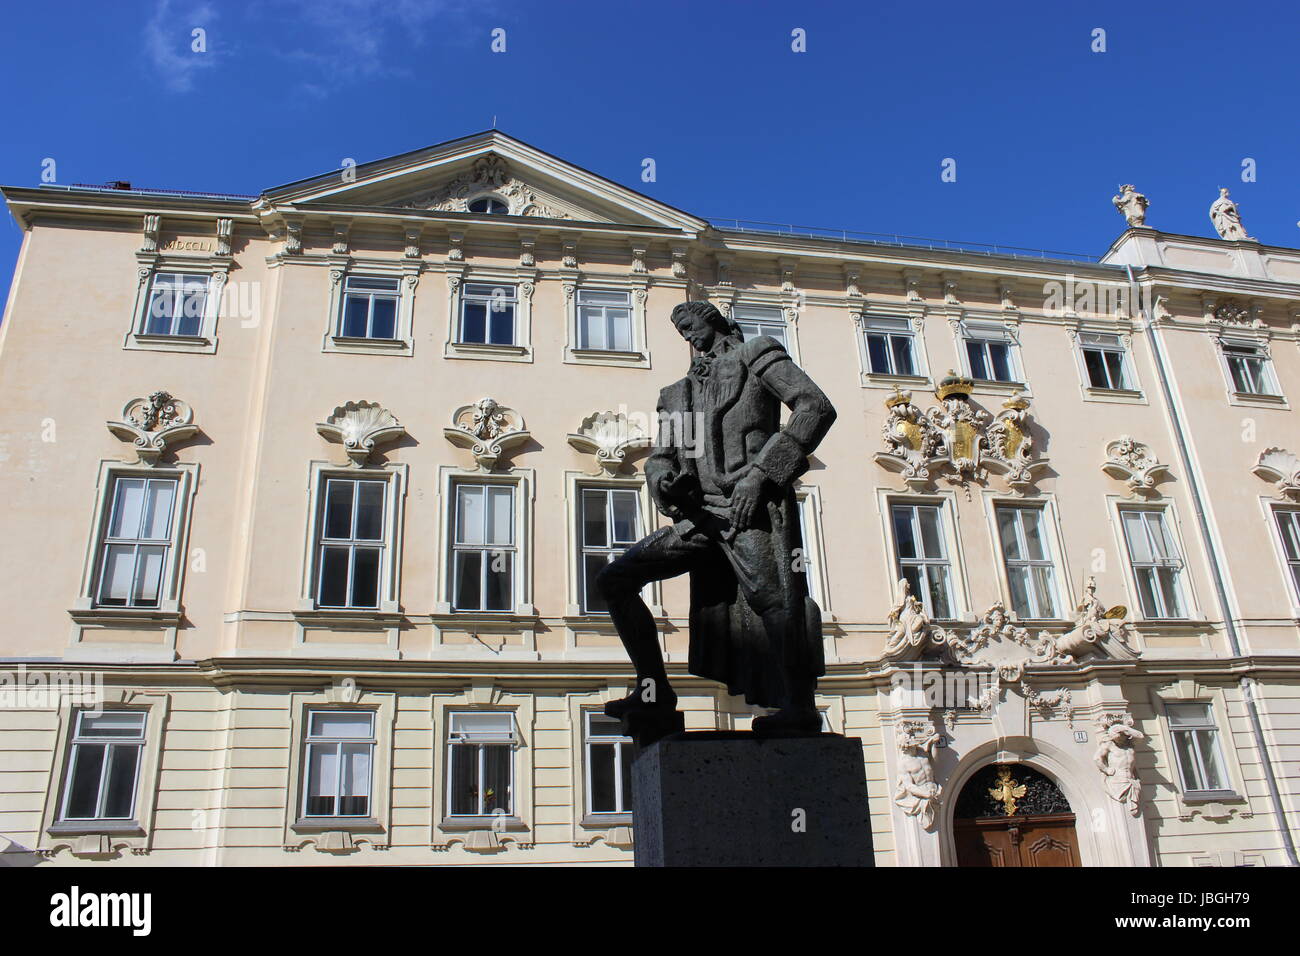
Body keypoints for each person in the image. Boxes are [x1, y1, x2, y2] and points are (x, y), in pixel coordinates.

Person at [598, 301, 837, 742]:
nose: (690, 339)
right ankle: (653, 693)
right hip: (700, 515)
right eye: (682, 334)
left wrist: (764, 475)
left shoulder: (757, 354)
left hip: (750, 508)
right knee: (616, 580)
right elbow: (661, 457)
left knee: (775, 602)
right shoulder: (677, 394)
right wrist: (663, 481)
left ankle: (799, 708)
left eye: (692, 328)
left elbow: (814, 407)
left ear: (714, 323)